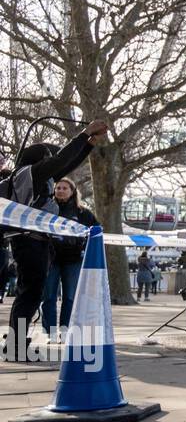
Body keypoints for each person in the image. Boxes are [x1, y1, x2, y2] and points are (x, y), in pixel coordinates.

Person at [1, 120, 109, 362]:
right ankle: (15, 346)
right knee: (30, 294)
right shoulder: (31, 174)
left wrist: (88, 145)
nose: (52, 159)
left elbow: (67, 162)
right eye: (48, 156)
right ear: (39, 159)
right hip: (29, 240)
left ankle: (15, 343)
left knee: (31, 293)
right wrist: (84, 134)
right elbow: (61, 160)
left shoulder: (37, 177)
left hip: (35, 241)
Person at [41, 178, 98, 339]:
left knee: (70, 296)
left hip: (73, 260)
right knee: (49, 296)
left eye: (64, 188)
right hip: (50, 259)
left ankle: (65, 328)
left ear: (72, 191)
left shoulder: (83, 212)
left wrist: (85, 248)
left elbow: (96, 230)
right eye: (57, 188)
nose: (60, 190)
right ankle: (50, 331)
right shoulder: (46, 209)